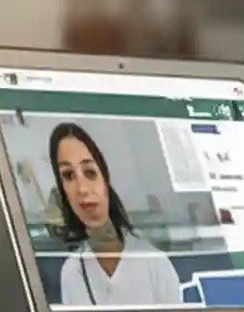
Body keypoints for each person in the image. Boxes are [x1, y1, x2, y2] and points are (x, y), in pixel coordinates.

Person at [49, 122, 183, 306]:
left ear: (105, 178)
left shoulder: (154, 264)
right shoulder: (72, 272)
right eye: (68, 175)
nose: (82, 188)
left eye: (90, 172)